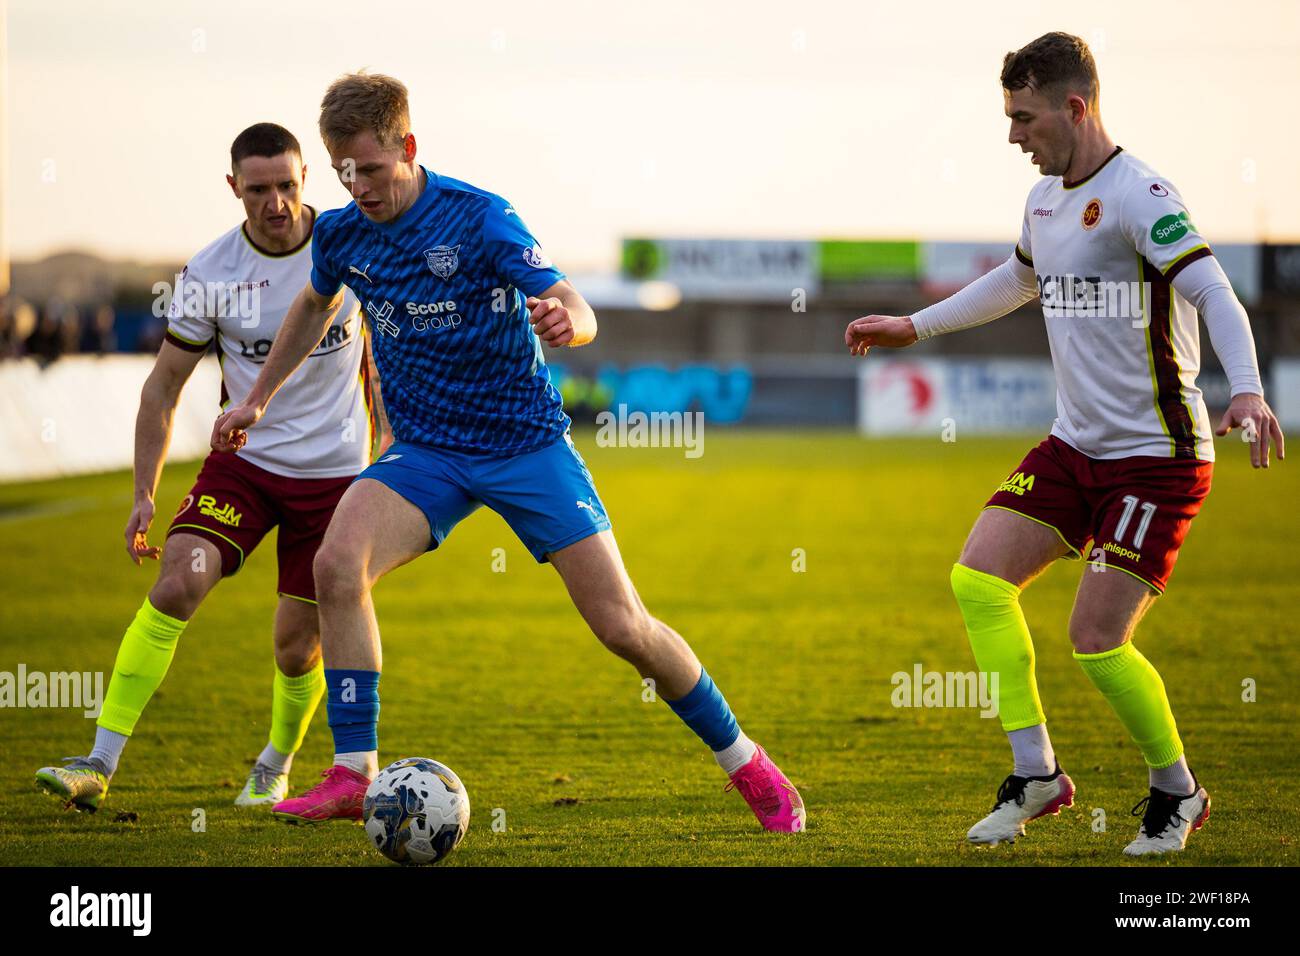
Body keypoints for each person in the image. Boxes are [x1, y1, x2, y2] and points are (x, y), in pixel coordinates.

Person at [213, 73, 805, 833]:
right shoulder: (340, 232)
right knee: (336, 564)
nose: (358, 186)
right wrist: (257, 397)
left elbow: (573, 301)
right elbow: (316, 303)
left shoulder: (480, 217)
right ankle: (353, 770)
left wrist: (569, 321)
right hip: (425, 451)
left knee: (623, 627)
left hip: (525, 446)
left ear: (409, 147)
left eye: (372, 168)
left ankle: (746, 762)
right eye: (343, 171)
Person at [845, 32, 1283, 856]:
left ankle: (1177, 792)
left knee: (1096, 641)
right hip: (1074, 448)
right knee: (976, 579)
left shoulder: (1142, 196)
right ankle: (1037, 775)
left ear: (1074, 108)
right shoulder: (1044, 202)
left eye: (1025, 117)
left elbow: (1216, 294)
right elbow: (1018, 278)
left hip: (1158, 461)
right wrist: (915, 324)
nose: (1014, 136)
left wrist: (1249, 388)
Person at [36, 123, 386, 812]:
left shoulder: (353, 242)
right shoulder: (210, 274)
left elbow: (396, 341)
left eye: (287, 186)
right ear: (234, 189)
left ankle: (276, 762)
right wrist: (144, 494)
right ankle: (98, 761)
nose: (276, 203)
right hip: (245, 466)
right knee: (179, 581)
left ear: (306, 179)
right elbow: (161, 388)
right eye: (259, 190)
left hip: (338, 477)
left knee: (295, 647)